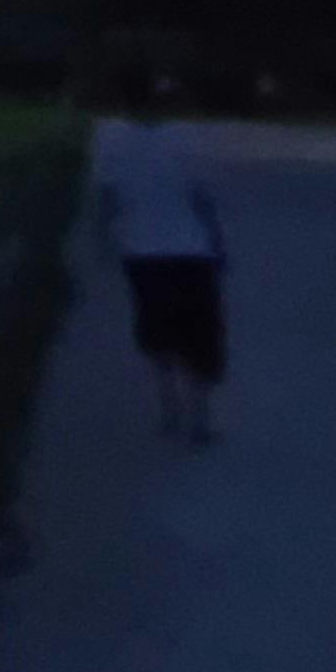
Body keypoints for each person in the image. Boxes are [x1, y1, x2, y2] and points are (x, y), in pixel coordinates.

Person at [89, 68, 227, 445]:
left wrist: (102, 241)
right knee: (200, 334)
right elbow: (202, 197)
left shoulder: (110, 137)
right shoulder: (184, 138)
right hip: (191, 250)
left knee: (157, 330)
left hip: (143, 251)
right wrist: (217, 243)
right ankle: (199, 416)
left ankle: (170, 406)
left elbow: (106, 196)